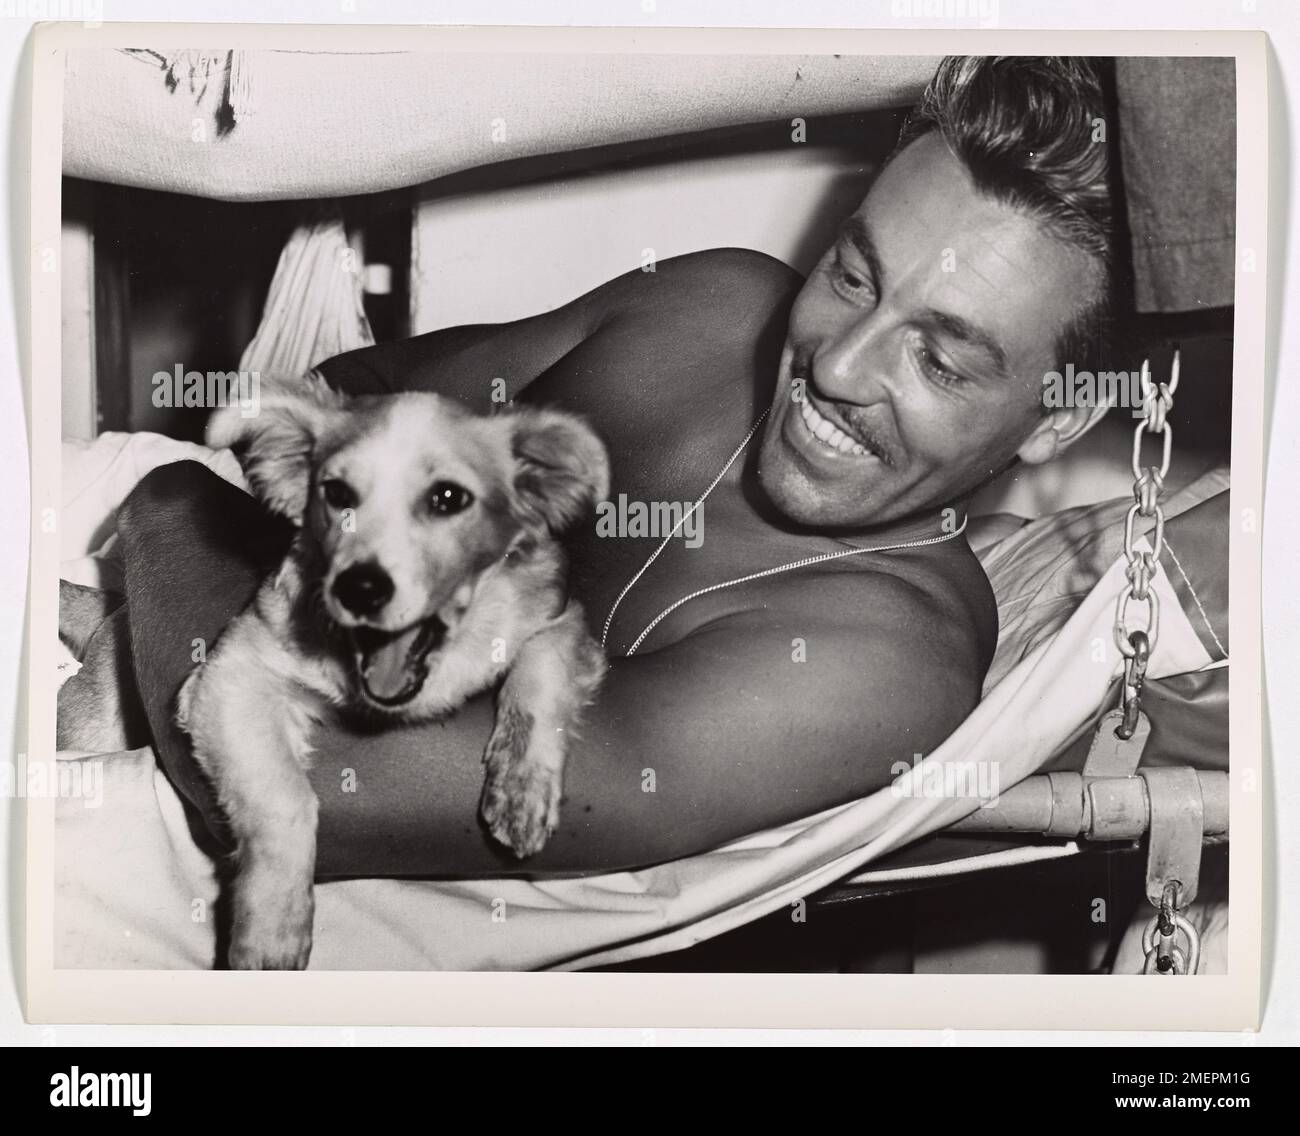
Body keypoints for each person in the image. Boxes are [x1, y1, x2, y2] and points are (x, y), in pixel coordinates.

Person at [119, 56, 1115, 878]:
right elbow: (355, 386)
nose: (836, 366)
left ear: (1060, 418)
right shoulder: (711, 309)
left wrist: (171, 504)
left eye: (940, 362)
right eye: (853, 276)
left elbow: (305, 789)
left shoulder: (886, 663)